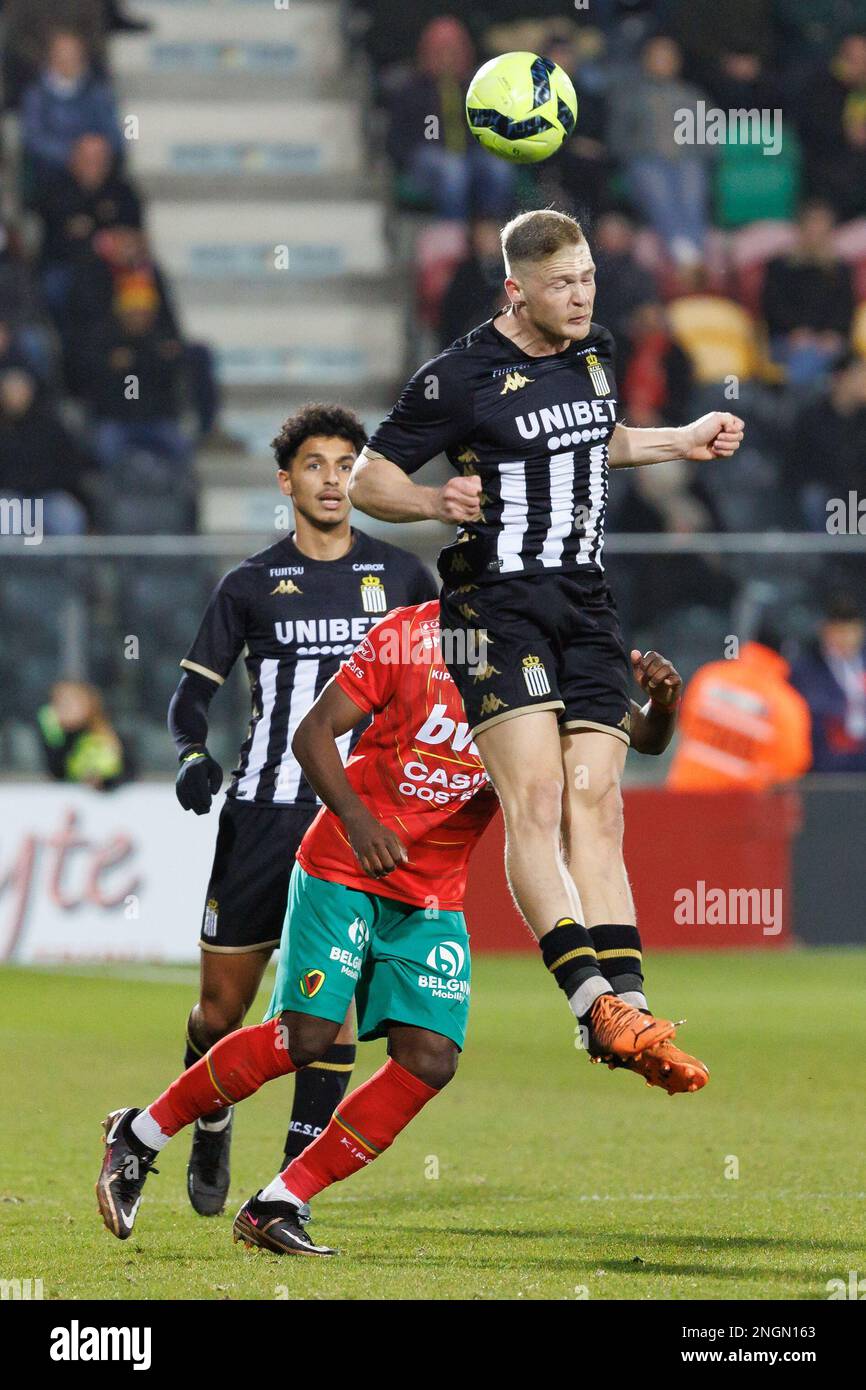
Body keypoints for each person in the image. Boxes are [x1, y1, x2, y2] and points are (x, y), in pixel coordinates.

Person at [96, 608, 703, 1254]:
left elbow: (636, 736)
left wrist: (661, 705)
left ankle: (279, 1202)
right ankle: (139, 1134)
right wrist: (358, 821)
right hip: (344, 866)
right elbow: (313, 733)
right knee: (304, 1037)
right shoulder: (410, 635)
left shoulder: (548, 657)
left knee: (430, 1058)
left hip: (431, 896)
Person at [345, 207, 743, 1063]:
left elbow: (598, 443)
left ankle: (631, 1012)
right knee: (538, 799)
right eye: (563, 282)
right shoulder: (458, 376)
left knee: (599, 797)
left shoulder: (595, 351)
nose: (581, 294)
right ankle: (591, 1000)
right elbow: (368, 478)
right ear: (515, 289)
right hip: (494, 606)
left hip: (584, 602)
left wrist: (685, 440)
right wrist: (429, 502)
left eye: (589, 276)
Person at [165, 403, 436, 1218]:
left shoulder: (404, 579)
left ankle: (287, 1187)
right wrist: (190, 754)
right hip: (263, 814)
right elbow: (192, 694)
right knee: (223, 1010)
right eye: (315, 465)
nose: (331, 480)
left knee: (334, 1007)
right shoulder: (249, 584)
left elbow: (438, 689)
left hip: (357, 821)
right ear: (286, 481)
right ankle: (212, 1116)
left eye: (346, 465)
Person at [607, 35, 711, 268]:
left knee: (692, 188)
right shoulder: (629, 96)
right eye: (657, 56)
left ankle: (692, 251)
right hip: (645, 162)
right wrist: (645, 151)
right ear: (645, 60)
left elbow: (710, 139)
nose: (663, 61)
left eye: (668, 56)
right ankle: (685, 252)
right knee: (657, 188)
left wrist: (688, 151)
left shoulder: (692, 96)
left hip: (686, 160)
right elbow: (617, 141)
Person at [667, 628, 812, 790]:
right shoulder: (787, 704)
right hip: (740, 807)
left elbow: (683, 722)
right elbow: (792, 764)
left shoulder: (709, 676)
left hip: (685, 795)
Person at [761, 202, 854, 387]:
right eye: (812, 227)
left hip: (829, 342)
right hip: (785, 340)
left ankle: (796, 406)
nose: (816, 234)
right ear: (800, 229)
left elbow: (845, 310)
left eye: (821, 228)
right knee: (808, 360)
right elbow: (772, 306)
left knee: (818, 358)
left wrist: (832, 334)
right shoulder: (779, 267)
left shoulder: (841, 270)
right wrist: (795, 331)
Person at [20, 27, 122, 185]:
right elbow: (33, 138)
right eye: (62, 54)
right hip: (52, 170)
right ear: (51, 57)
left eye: (73, 54)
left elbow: (115, 133)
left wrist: (96, 150)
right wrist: (73, 154)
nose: (68, 59)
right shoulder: (36, 95)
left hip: (97, 167)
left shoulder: (98, 92)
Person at [791, 595, 866, 773]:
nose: (845, 638)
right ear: (825, 631)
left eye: (850, 631)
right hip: (825, 766)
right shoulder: (805, 670)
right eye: (839, 631)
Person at [37, 680, 130, 789]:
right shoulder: (56, 737)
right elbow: (56, 772)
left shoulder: (108, 732)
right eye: (59, 704)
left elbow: (128, 771)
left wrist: (104, 781)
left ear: (88, 704)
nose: (65, 709)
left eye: (70, 703)